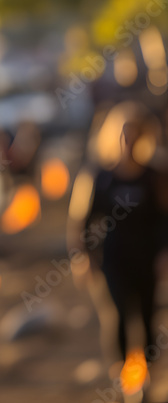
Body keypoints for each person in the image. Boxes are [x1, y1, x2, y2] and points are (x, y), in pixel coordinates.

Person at [68, 100, 168, 383]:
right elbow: (82, 222)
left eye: (135, 133)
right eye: (125, 133)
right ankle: (126, 378)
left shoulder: (155, 177)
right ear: (115, 135)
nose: (129, 139)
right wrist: (82, 257)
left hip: (147, 261)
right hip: (113, 261)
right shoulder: (101, 178)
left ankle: (147, 376)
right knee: (121, 316)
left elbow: (164, 219)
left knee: (147, 319)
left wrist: (164, 253)